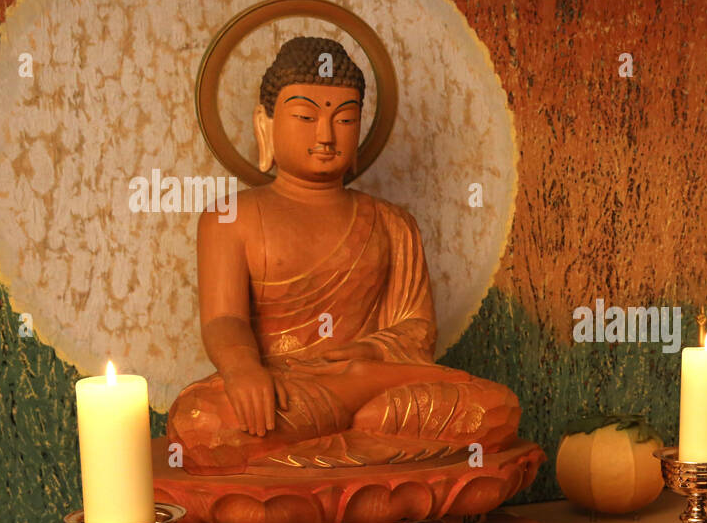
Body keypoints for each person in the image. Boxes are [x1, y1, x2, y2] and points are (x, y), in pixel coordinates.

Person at [168, 37, 520, 474]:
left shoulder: (393, 222)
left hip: (380, 386)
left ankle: (327, 451)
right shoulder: (230, 217)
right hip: (286, 391)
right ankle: (370, 448)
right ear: (265, 124)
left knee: (494, 407)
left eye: (346, 118)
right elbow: (225, 320)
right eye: (305, 116)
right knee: (200, 422)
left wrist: (367, 360)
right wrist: (242, 369)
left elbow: (416, 333)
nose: (325, 134)